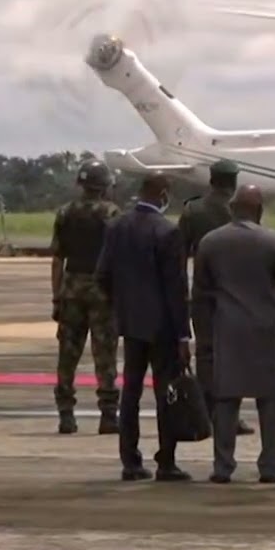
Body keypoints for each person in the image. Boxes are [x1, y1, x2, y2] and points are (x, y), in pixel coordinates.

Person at [192, 184, 275, 484]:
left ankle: (223, 466)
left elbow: (199, 294)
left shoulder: (211, 242)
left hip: (227, 330)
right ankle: (270, 467)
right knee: (270, 402)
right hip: (266, 332)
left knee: (226, 402)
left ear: (232, 208)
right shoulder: (273, 240)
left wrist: (202, 337)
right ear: (259, 210)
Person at [95, 171, 194, 482]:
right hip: (163, 327)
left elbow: (102, 275)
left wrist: (121, 306)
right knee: (166, 394)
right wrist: (183, 334)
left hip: (130, 324)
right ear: (163, 195)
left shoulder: (116, 227)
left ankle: (130, 460)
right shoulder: (168, 231)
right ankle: (166, 461)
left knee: (131, 393)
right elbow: (176, 288)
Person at [178, 159, 255, 437]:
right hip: (236, 296)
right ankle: (230, 416)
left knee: (206, 356)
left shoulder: (192, 210)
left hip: (203, 295)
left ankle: (208, 413)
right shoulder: (239, 211)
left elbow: (179, 256)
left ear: (211, 179)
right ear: (233, 182)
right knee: (234, 357)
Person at [50, 159, 121, 436]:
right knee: (105, 355)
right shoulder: (112, 213)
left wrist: (56, 297)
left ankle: (66, 414)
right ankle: (108, 415)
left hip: (71, 290)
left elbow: (58, 259)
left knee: (68, 355)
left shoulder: (65, 213)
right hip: (102, 292)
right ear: (104, 185)